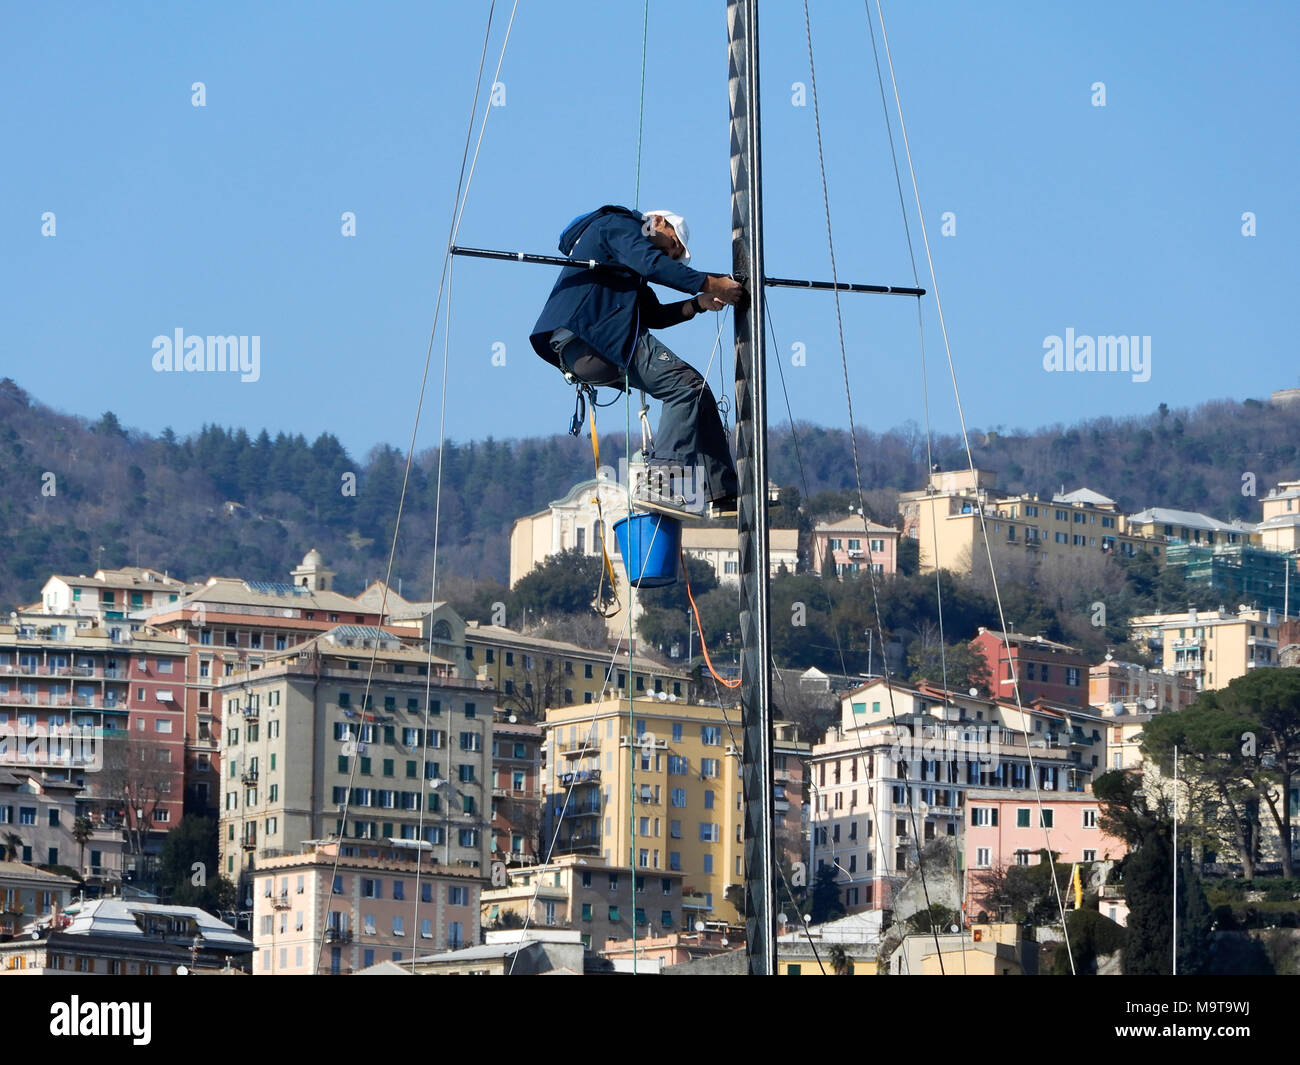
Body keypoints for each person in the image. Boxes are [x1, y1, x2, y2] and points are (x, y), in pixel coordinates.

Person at [530, 205, 745, 515]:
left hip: (588, 345)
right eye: (673, 247)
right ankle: (663, 484)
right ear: (658, 223)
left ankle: (722, 491)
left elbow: (653, 315)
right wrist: (712, 283)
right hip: (593, 337)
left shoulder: (624, 261)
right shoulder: (620, 225)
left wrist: (698, 303)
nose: (670, 257)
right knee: (685, 386)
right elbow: (653, 264)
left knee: (696, 391)